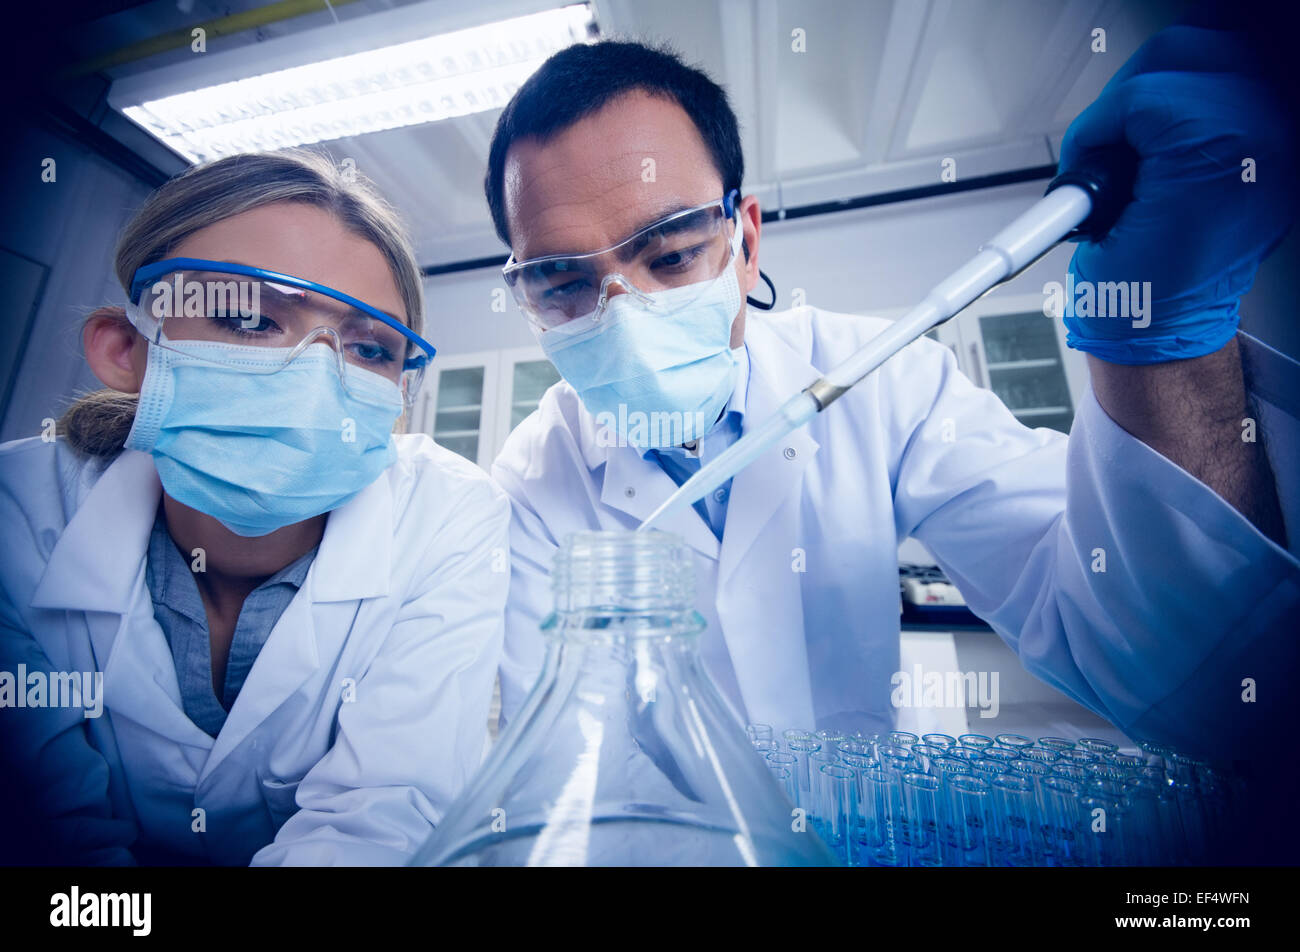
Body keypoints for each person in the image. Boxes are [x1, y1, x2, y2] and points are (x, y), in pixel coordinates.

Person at [486, 30, 1299, 770]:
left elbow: (1179, 674)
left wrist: (1160, 341)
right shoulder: (529, 480)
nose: (625, 323)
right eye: (562, 283)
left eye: (668, 254)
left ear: (744, 241)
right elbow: (557, 768)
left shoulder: (879, 375)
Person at [0, 150, 510, 865]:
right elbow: (42, 832)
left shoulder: (449, 515)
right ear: (127, 350)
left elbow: (378, 824)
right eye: (248, 320)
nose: (315, 377)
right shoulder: (17, 510)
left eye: (368, 349)